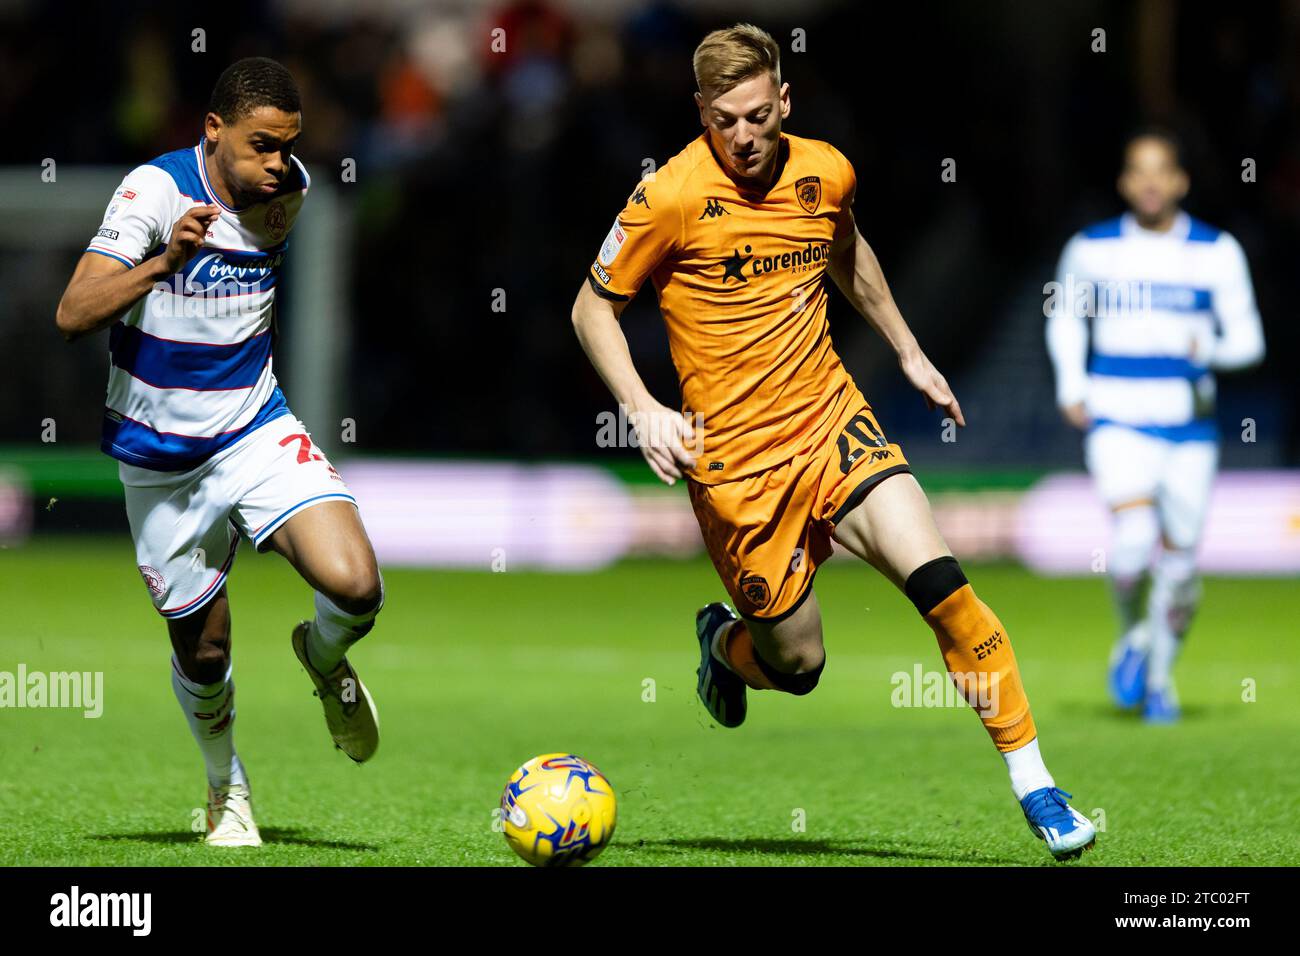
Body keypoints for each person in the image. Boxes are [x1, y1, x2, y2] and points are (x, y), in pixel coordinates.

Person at [572, 23, 1095, 860]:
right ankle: (723, 644)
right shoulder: (667, 196)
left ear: (785, 99)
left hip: (830, 423)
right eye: (723, 120)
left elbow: (846, 249)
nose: (742, 136)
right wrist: (641, 407)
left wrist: (909, 352)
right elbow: (591, 309)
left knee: (945, 589)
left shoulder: (827, 169)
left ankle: (1037, 785)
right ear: (700, 111)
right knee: (798, 664)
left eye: (756, 114)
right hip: (736, 469)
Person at [55, 57, 384, 847]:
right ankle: (224, 787)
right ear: (212, 131)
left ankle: (323, 654)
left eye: (288, 146)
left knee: (357, 586)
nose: (278, 164)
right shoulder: (153, 193)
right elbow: (73, 312)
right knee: (205, 654)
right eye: (261, 145)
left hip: (253, 429)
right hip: (159, 457)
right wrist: (165, 263)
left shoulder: (289, 193)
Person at [1046, 130, 1265, 722]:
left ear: (1179, 181)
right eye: (1137, 170)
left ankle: (1160, 677)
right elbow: (1064, 316)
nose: (1149, 181)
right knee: (1133, 543)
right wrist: (1071, 385)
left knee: (1184, 567)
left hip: (1190, 428)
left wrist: (1209, 347)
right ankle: (1131, 636)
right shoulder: (1091, 249)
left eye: (1160, 170)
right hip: (1117, 418)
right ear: (1124, 182)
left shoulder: (1216, 251)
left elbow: (1249, 341)